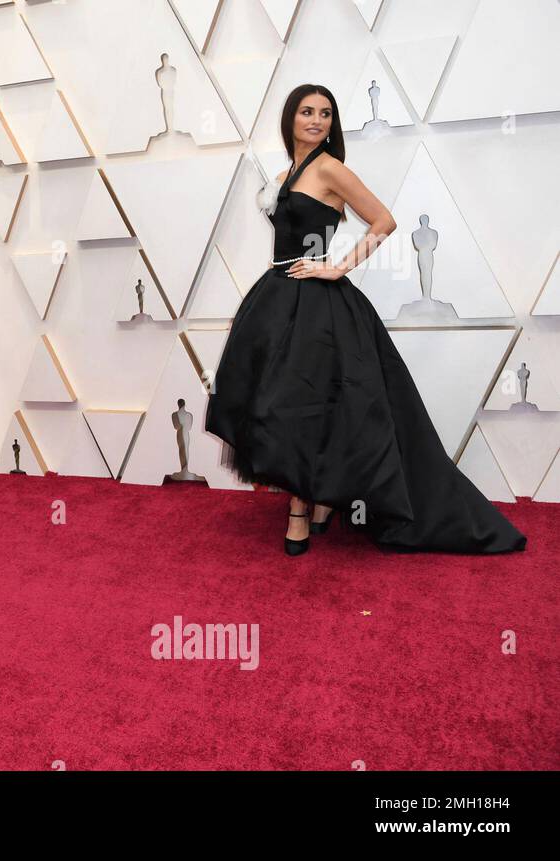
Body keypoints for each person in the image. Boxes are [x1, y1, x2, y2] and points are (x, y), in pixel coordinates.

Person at [205, 84, 526, 556]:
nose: (316, 120)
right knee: (280, 403)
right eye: (307, 111)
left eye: (326, 114)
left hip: (317, 304)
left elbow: (383, 220)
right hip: (277, 295)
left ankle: (303, 507)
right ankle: (317, 502)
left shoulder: (331, 168)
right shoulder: (285, 172)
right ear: (290, 118)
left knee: (303, 405)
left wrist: (337, 266)